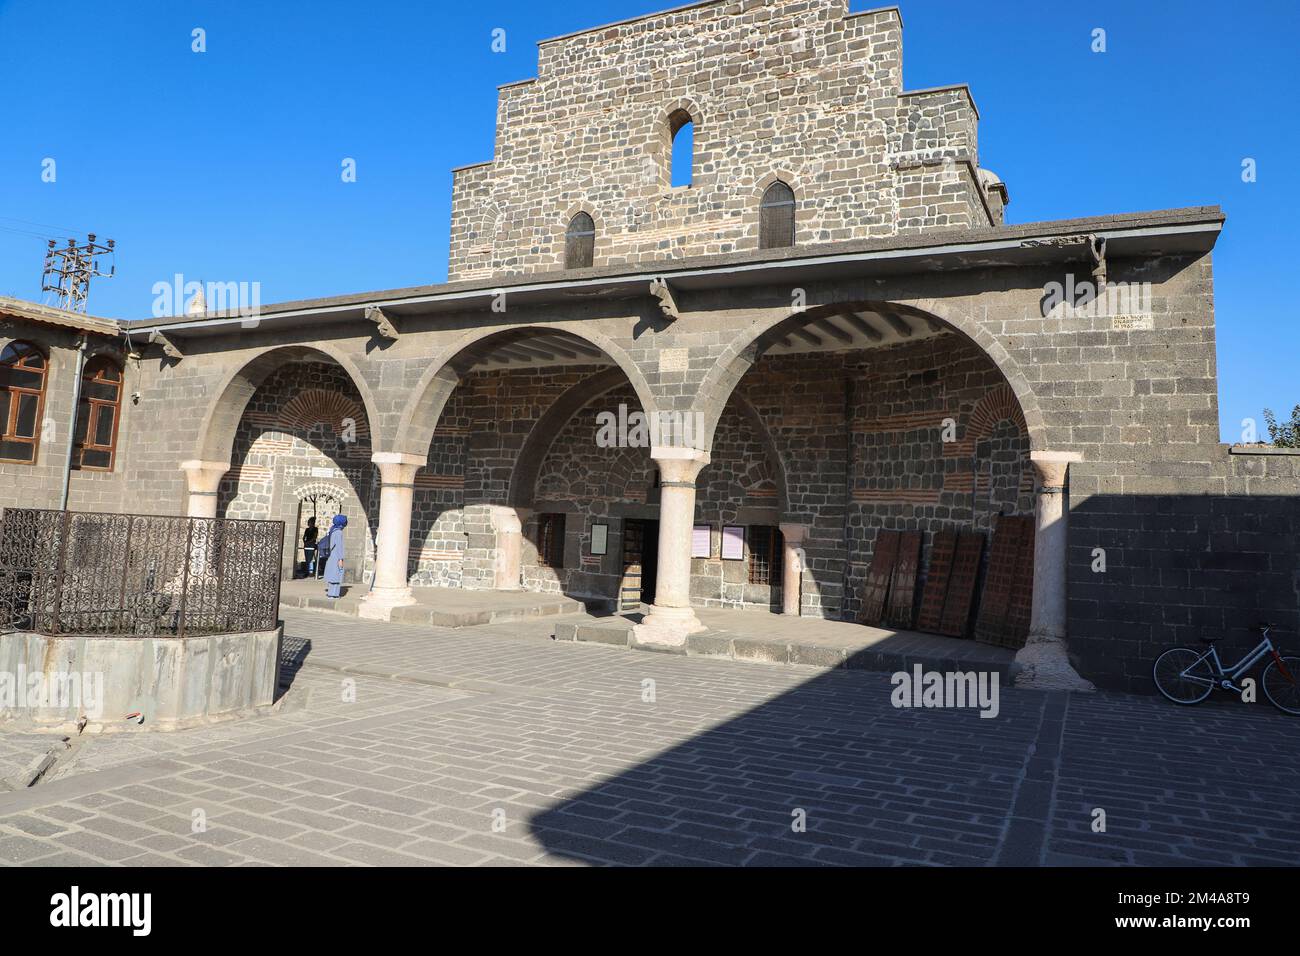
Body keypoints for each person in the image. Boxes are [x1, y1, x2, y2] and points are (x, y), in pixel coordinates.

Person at [322, 514, 348, 598]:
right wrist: (340, 559)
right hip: (336, 556)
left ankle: (330, 594)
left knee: (332, 575)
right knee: (337, 576)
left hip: (332, 556)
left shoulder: (332, 530)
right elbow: (339, 546)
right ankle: (334, 594)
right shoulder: (339, 532)